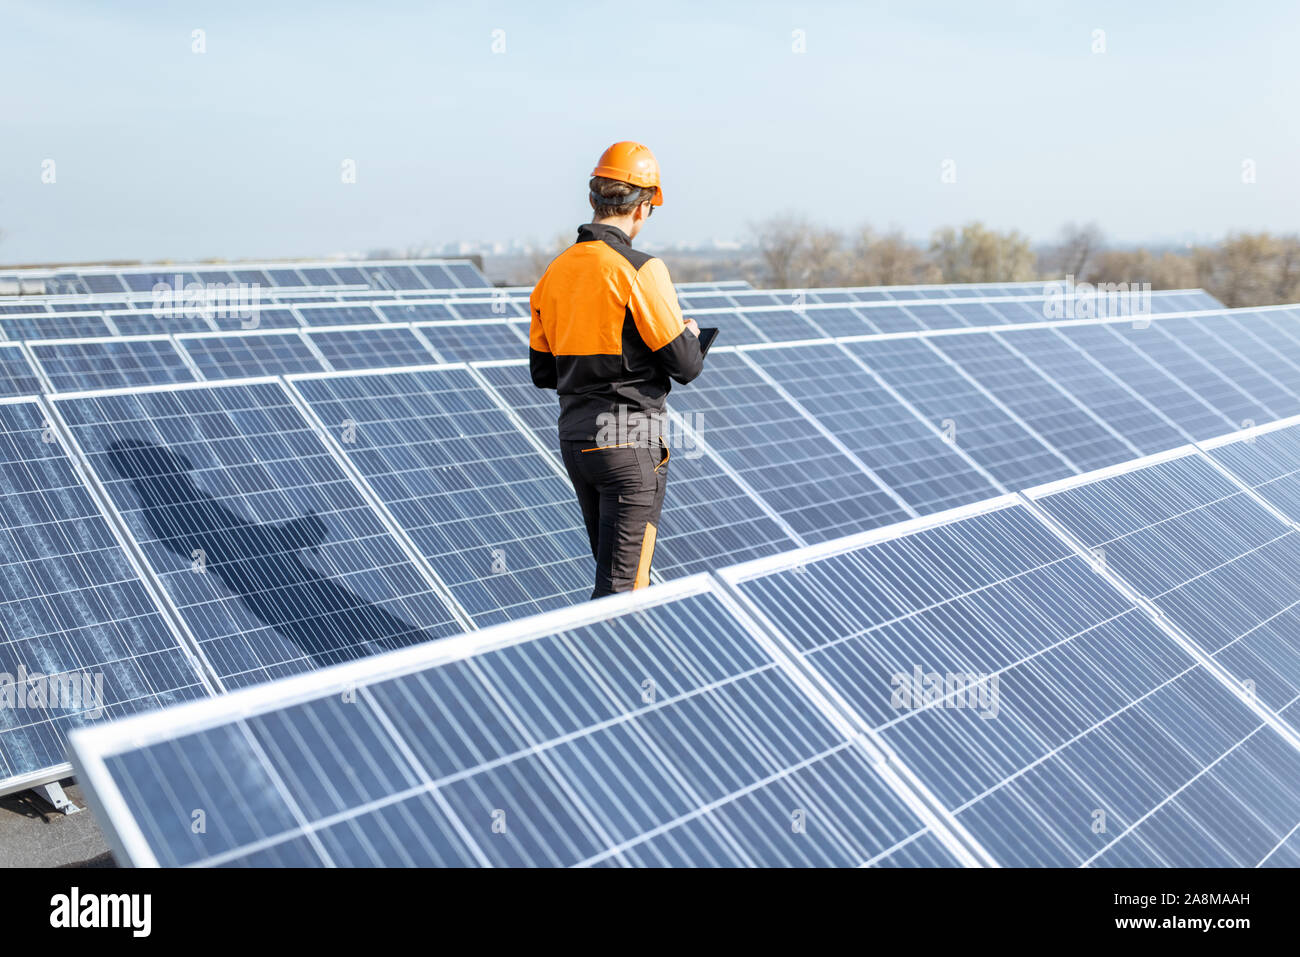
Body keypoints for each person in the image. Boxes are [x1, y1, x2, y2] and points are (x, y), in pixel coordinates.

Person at [529, 141, 704, 598]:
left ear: (594, 199)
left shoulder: (555, 272)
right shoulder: (641, 269)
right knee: (624, 591)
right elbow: (685, 365)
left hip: (576, 441)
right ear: (643, 207)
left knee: (612, 579)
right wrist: (686, 334)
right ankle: (611, 668)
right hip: (628, 443)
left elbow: (544, 373)